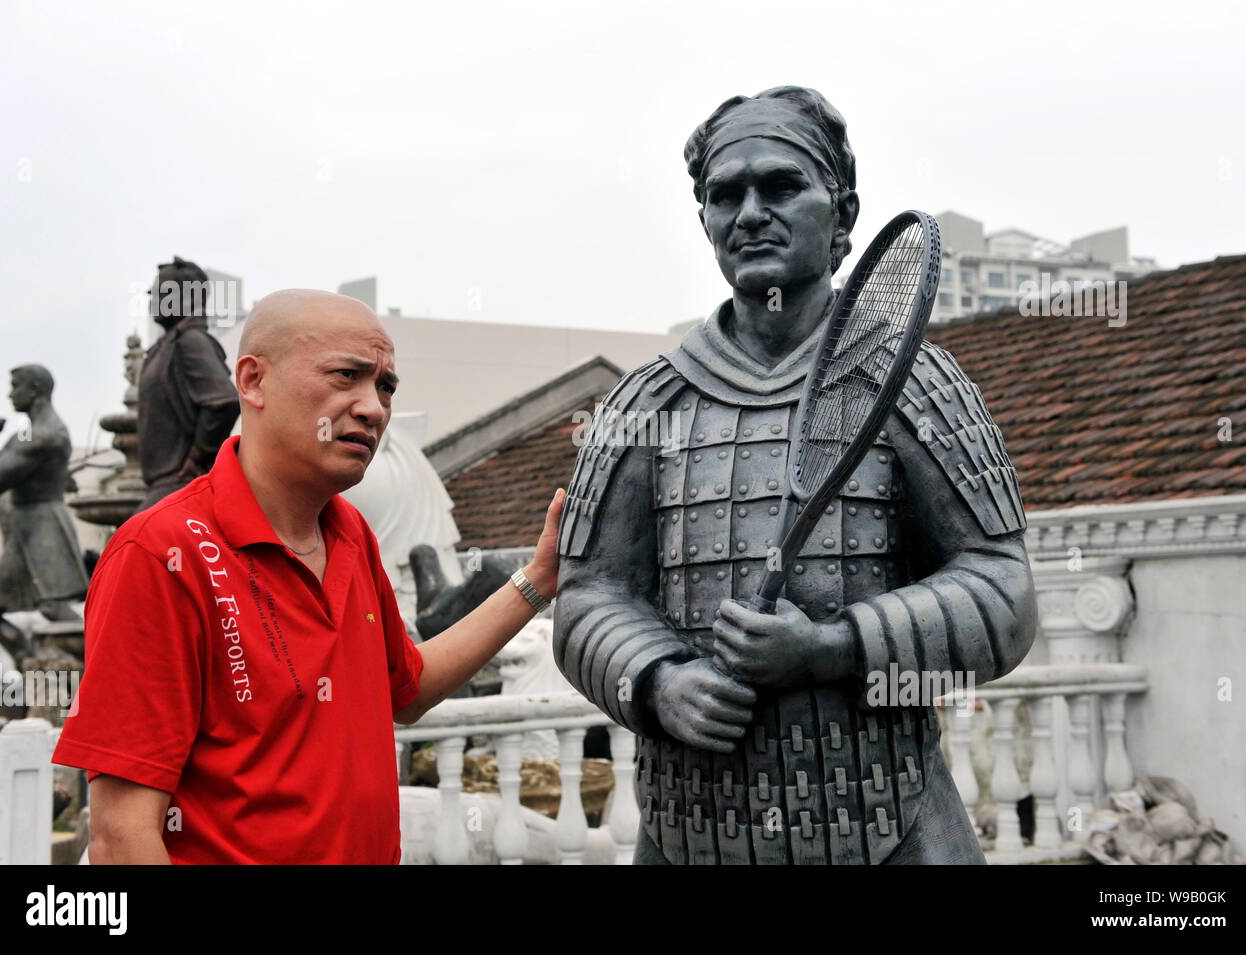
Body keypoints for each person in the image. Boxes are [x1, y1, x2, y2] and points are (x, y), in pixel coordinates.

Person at [553, 87, 1037, 865]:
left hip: (888, 819)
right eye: (725, 195)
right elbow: (589, 597)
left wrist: (833, 647)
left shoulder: (913, 380)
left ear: (842, 216)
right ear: (705, 222)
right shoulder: (646, 401)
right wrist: (657, 681)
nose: (749, 212)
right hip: (693, 829)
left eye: (781, 186)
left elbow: (1003, 593)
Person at [53, 289, 564, 864]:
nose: (373, 407)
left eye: (385, 386)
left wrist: (539, 580)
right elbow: (122, 838)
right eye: (346, 375)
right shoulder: (164, 554)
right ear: (252, 381)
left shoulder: (350, 534)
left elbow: (407, 689)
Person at [0, 364, 90, 664]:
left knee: (54, 607)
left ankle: (106, 657)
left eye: (15, 386)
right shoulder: (29, 434)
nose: (9, 393)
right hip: (25, 527)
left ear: (35, 389)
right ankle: (29, 662)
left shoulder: (45, 434)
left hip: (43, 527)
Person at [136, 256, 240, 512]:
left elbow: (224, 402)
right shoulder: (165, 346)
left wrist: (197, 457)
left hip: (180, 485)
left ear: (190, 297)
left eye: (163, 293)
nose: (153, 300)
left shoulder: (191, 341)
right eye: (154, 293)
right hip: (164, 485)